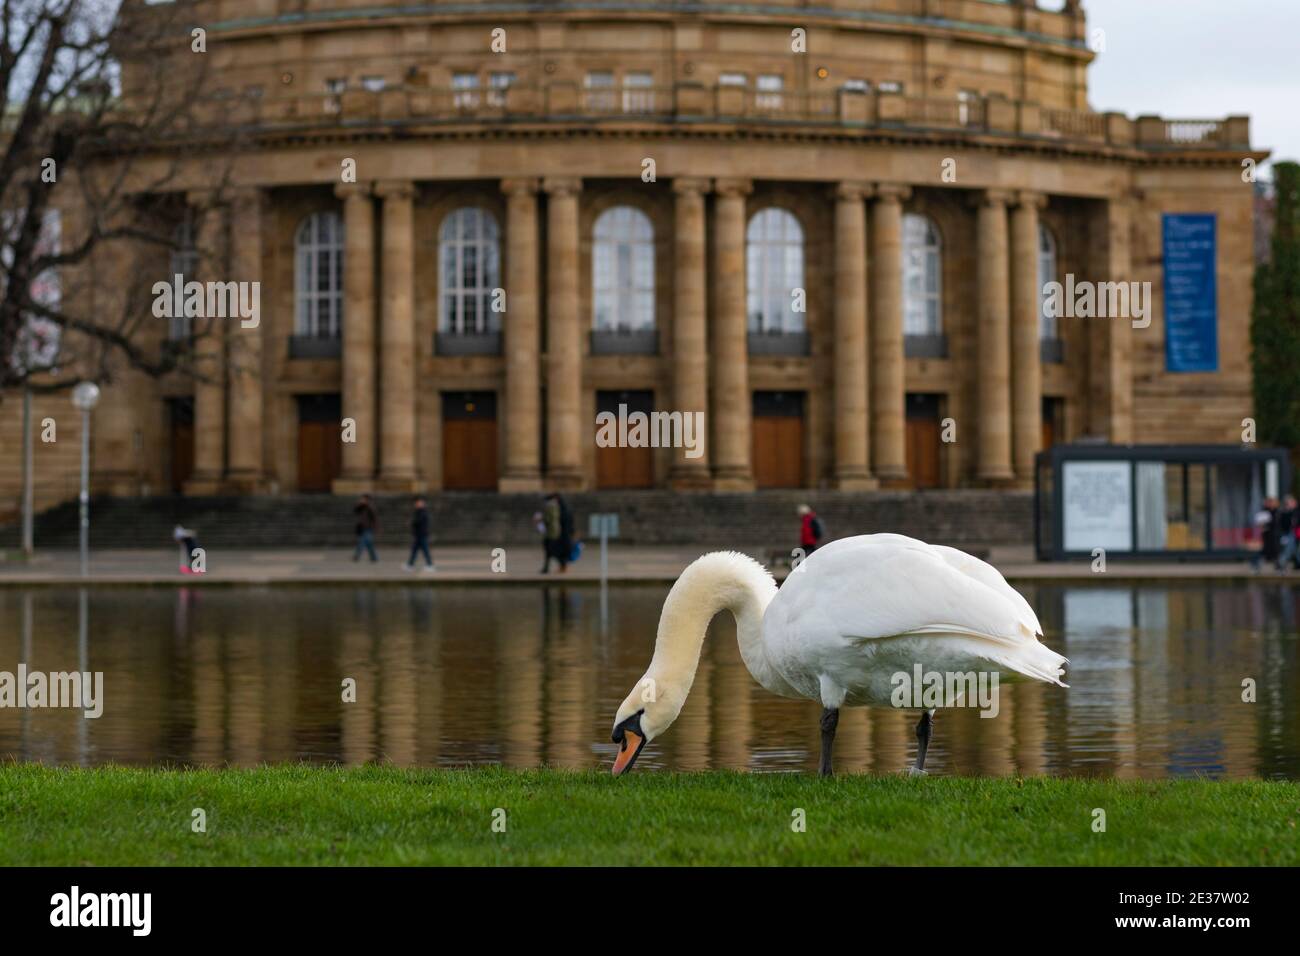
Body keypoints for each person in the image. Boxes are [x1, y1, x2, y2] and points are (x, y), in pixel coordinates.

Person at [540, 493, 574, 574]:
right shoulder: (561, 508)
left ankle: (560, 567)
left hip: (560, 535)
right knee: (553, 551)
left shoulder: (557, 509)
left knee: (555, 551)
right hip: (560, 534)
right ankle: (549, 567)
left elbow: (552, 521)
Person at [404, 496, 435, 572]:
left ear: (423, 504)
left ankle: (430, 565)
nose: (417, 504)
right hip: (418, 534)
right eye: (417, 503)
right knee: (415, 550)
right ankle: (410, 565)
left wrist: (411, 522)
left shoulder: (423, 512)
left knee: (425, 550)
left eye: (419, 503)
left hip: (422, 534)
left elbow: (418, 521)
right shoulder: (418, 512)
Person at [1251, 496, 1279, 573]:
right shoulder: (1264, 511)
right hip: (1267, 534)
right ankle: (1256, 565)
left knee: (1275, 551)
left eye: (1271, 502)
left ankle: (1278, 567)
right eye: (1268, 502)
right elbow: (1260, 521)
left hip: (1275, 534)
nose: (1270, 504)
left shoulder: (1277, 511)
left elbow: (1277, 523)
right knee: (1266, 550)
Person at [353, 494, 378, 562]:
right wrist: (360, 504)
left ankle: (356, 556)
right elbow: (355, 510)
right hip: (361, 527)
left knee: (362, 542)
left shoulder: (370, 507)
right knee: (369, 543)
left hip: (368, 527)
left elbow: (374, 518)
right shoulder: (361, 507)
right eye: (361, 499)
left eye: (364, 499)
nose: (362, 500)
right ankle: (374, 558)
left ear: (367, 500)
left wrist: (375, 527)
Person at [1277, 495, 1298, 571]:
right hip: (1287, 533)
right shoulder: (1284, 512)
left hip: (1293, 533)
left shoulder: (1295, 511)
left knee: (1293, 549)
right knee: (1288, 549)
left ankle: (1283, 564)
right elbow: (1283, 524)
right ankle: (1281, 564)